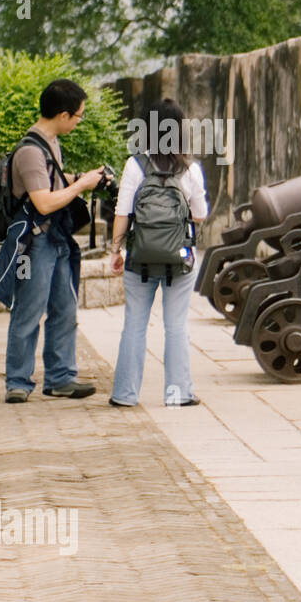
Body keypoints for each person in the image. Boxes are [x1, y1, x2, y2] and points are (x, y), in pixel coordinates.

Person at [0, 78, 106, 403]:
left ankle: (60, 378)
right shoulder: (31, 151)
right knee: (29, 311)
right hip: (33, 244)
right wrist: (80, 187)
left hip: (55, 239)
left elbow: (52, 183)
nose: (79, 121)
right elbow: (43, 202)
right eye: (78, 116)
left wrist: (85, 178)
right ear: (62, 115)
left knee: (64, 308)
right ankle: (17, 382)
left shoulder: (50, 142)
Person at [108, 98, 208, 408]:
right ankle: (178, 394)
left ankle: (125, 395)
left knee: (134, 325)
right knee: (176, 326)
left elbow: (122, 212)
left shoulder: (135, 165)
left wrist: (115, 249)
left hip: (139, 258)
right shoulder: (190, 168)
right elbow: (201, 214)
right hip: (179, 258)